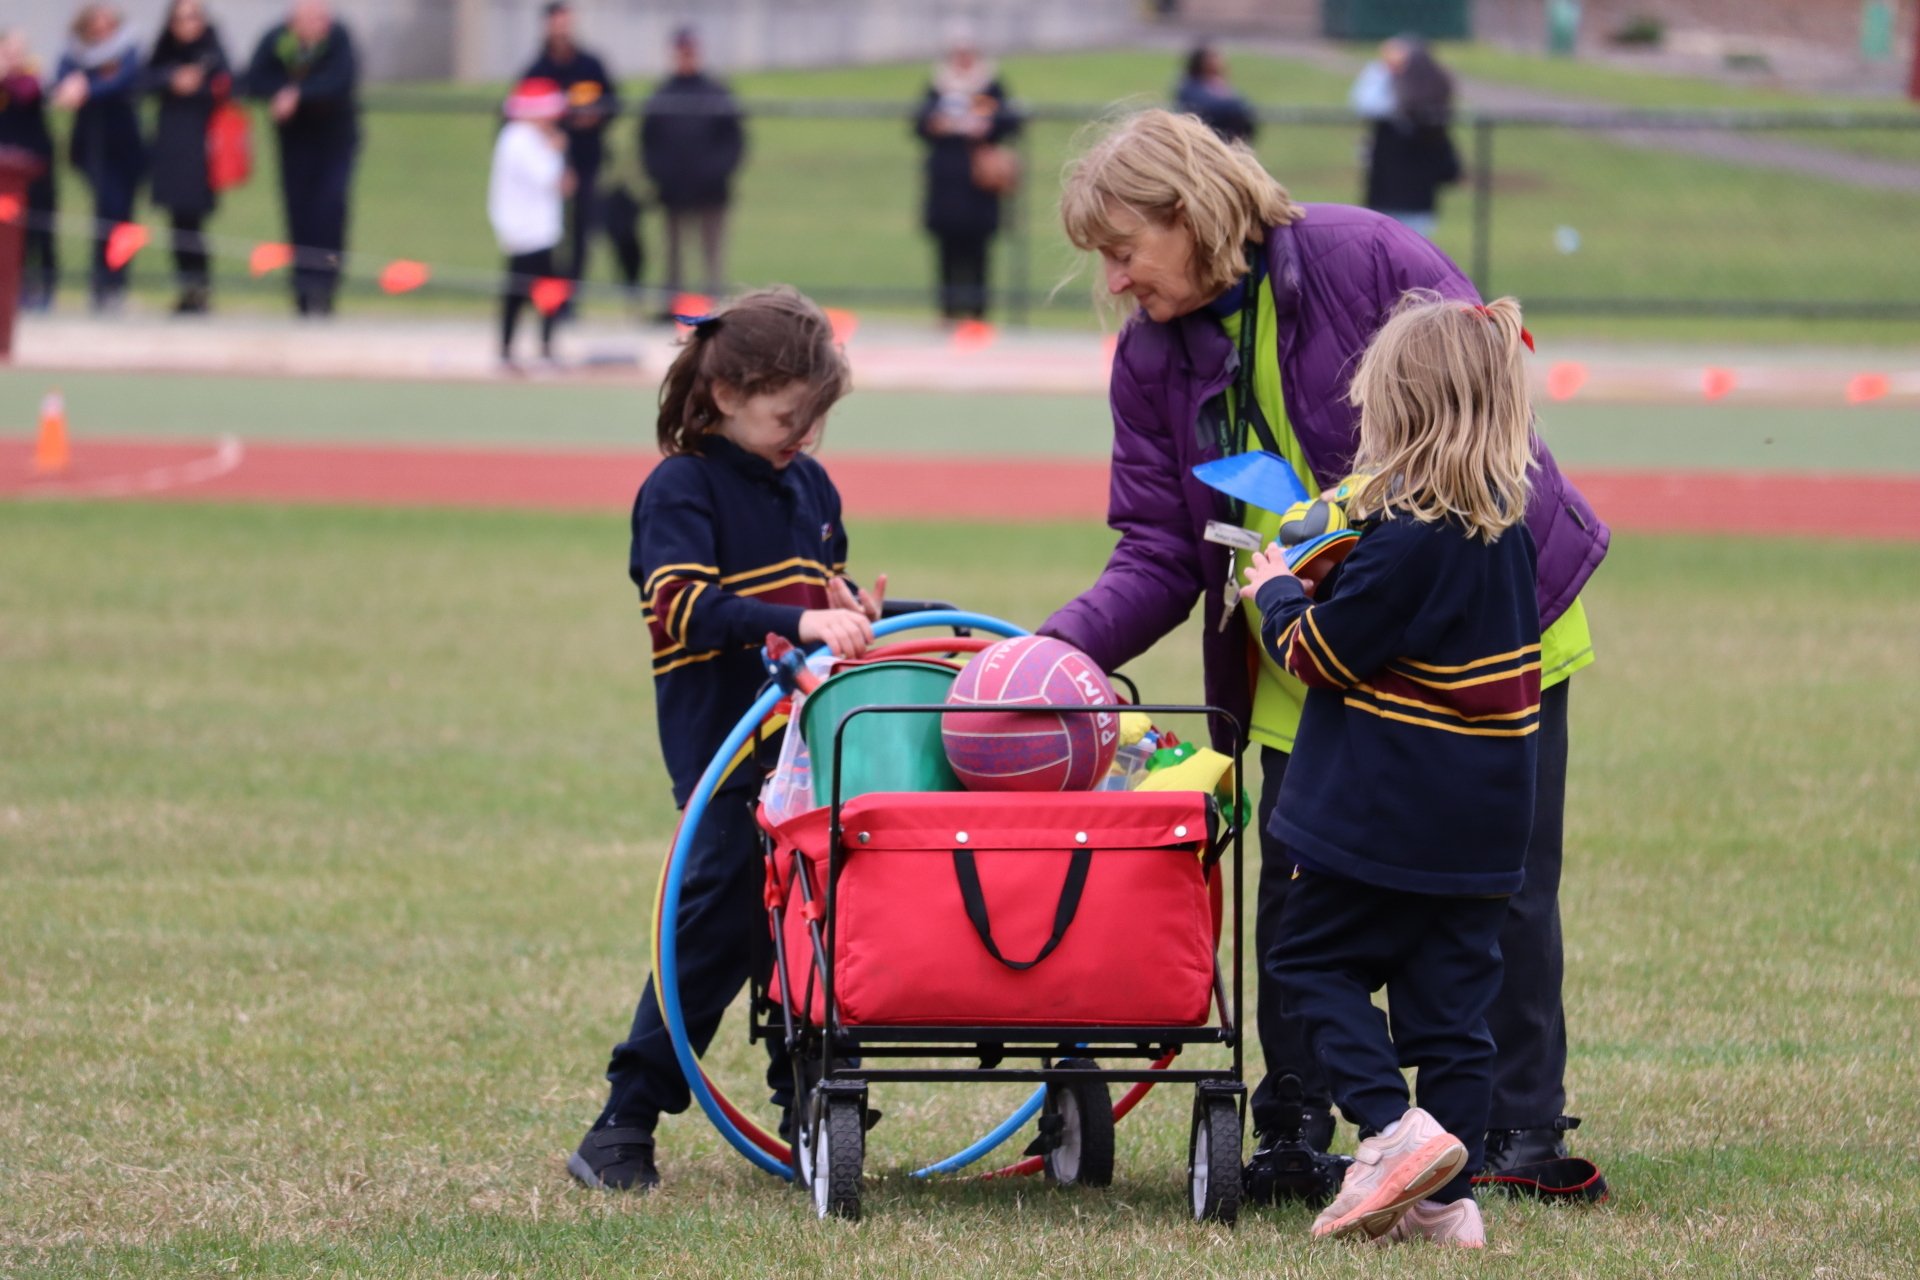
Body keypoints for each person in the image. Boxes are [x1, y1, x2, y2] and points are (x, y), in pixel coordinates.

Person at [1037, 109, 1609, 1204]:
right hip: (1312, 649)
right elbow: (1163, 545)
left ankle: (1512, 1130)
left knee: (1501, 889)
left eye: (1122, 250)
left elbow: (1487, 427)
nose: (1112, 282)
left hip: (1485, 634)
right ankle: (1297, 1119)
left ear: (1190, 213)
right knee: (1310, 892)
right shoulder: (1151, 356)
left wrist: (1393, 590)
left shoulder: (1364, 256)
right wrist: (1060, 647)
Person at [1244, 292, 1545, 1248]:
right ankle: (1444, 1207)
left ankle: (1390, 1128)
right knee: (1451, 1013)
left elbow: (1322, 657)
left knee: (1310, 959)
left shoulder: (1407, 538)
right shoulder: (1507, 534)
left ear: (1397, 412)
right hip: (1481, 832)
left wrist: (1277, 592)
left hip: (1379, 818)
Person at [570, 286, 883, 1192]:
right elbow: (681, 607)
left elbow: (818, 593)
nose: (806, 438)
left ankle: (812, 1100)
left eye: (817, 421)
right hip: (725, 755)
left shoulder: (809, 487)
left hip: (810, 754)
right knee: (717, 919)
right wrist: (800, 619)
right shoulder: (680, 487)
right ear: (724, 396)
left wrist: (848, 607)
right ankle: (624, 1119)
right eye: (790, 417)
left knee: (821, 916)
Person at [245, 0, 358, 316]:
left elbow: (340, 80)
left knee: (330, 212)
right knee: (299, 216)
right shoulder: (278, 40)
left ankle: (326, 290)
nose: (316, 24)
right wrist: (280, 92)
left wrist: (298, 94)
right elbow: (253, 79)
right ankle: (303, 292)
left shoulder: (338, 39)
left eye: (321, 16)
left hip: (334, 143)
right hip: (294, 145)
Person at [913, 30, 1020, 322]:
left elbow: (1011, 122)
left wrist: (987, 126)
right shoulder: (937, 86)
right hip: (946, 182)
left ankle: (977, 314)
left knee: (979, 251)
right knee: (946, 251)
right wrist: (939, 125)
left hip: (979, 185)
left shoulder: (990, 85)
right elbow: (918, 125)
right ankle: (947, 312)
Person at [640, 26, 743, 311]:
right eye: (681, 52)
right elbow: (648, 143)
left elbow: (733, 141)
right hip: (673, 190)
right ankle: (671, 308)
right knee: (672, 253)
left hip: (711, 189)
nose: (686, 58)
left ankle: (715, 308)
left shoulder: (716, 93)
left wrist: (715, 171)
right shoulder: (662, 95)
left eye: (691, 52)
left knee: (712, 253)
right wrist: (662, 175)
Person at [51, 5, 145, 313]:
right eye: (96, 23)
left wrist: (86, 88)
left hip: (126, 144)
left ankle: (118, 282)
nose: (102, 28)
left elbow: (122, 82)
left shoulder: (127, 51)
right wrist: (71, 89)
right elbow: (60, 85)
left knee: (124, 216)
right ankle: (100, 281)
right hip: (91, 144)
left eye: (107, 23)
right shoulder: (74, 54)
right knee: (106, 209)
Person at [521, 1, 617, 295]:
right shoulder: (538, 69)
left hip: (586, 159)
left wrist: (595, 116)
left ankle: (571, 295)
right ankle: (549, 293)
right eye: (557, 23)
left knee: (581, 230)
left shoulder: (590, 65)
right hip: (547, 165)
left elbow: (613, 102)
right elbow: (518, 111)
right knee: (549, 231)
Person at [144, 0, 231, 315]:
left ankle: (200, 290)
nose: (187, 25)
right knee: (177, 223)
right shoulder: (165, 51)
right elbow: (144, 79)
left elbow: (229, 83)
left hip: (200, 147)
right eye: (181, 18)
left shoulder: (211, 51)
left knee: (194, 223)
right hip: (170, 145)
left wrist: (199, 84)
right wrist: (172, 78)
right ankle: (186, 289)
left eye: (193, 18)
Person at [488, 77, 570, 370]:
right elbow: (549, 179)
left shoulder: (525, 138)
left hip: (538, 230)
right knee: (527, 291)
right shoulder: (519, 139)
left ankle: (530, 348)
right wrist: (556, 150)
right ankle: (524, 350)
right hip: (527, 231)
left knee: (538, 290)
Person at [1359, 40, 1460, 239]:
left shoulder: (1423, 123)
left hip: (1398, 205)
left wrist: (1381, 70)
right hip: (1406, 205)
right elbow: (1449, 171)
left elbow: (1366, 101)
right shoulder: (1427, 125)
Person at [0, 31, 59, 311]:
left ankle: (44, 287)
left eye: (19, 49)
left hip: (35, 166)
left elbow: (28, 93)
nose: (15, 55)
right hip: (4, 168)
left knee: (39, 228)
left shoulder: (31, 76)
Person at [1174, 42, 1257, 145]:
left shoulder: (1220, 84)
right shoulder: (1191, 86)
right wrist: (1234, 105)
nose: (1218, 61)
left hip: (1228, 141)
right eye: (1213, 57)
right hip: (1204, 140)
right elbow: (1205, 108)